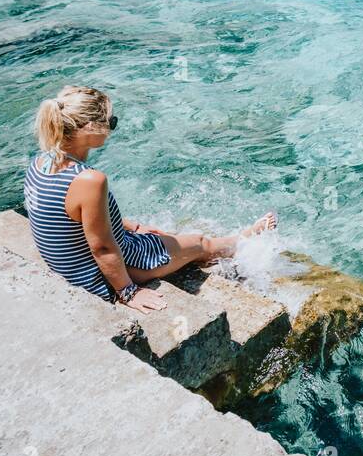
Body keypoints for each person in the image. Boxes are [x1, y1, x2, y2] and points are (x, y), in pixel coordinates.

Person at [23, 85, 275, 312]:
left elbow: (79, 219)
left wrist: (134, 226)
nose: (112, 128)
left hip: (70, 265)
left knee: (159, 235)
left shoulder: (40, 162)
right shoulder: (89, 180)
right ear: (90, 128)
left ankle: (208, 242)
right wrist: (127, 292)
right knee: (199, 243)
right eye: (111, 122)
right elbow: (102, 248)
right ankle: (244, 239)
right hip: (98, 273)